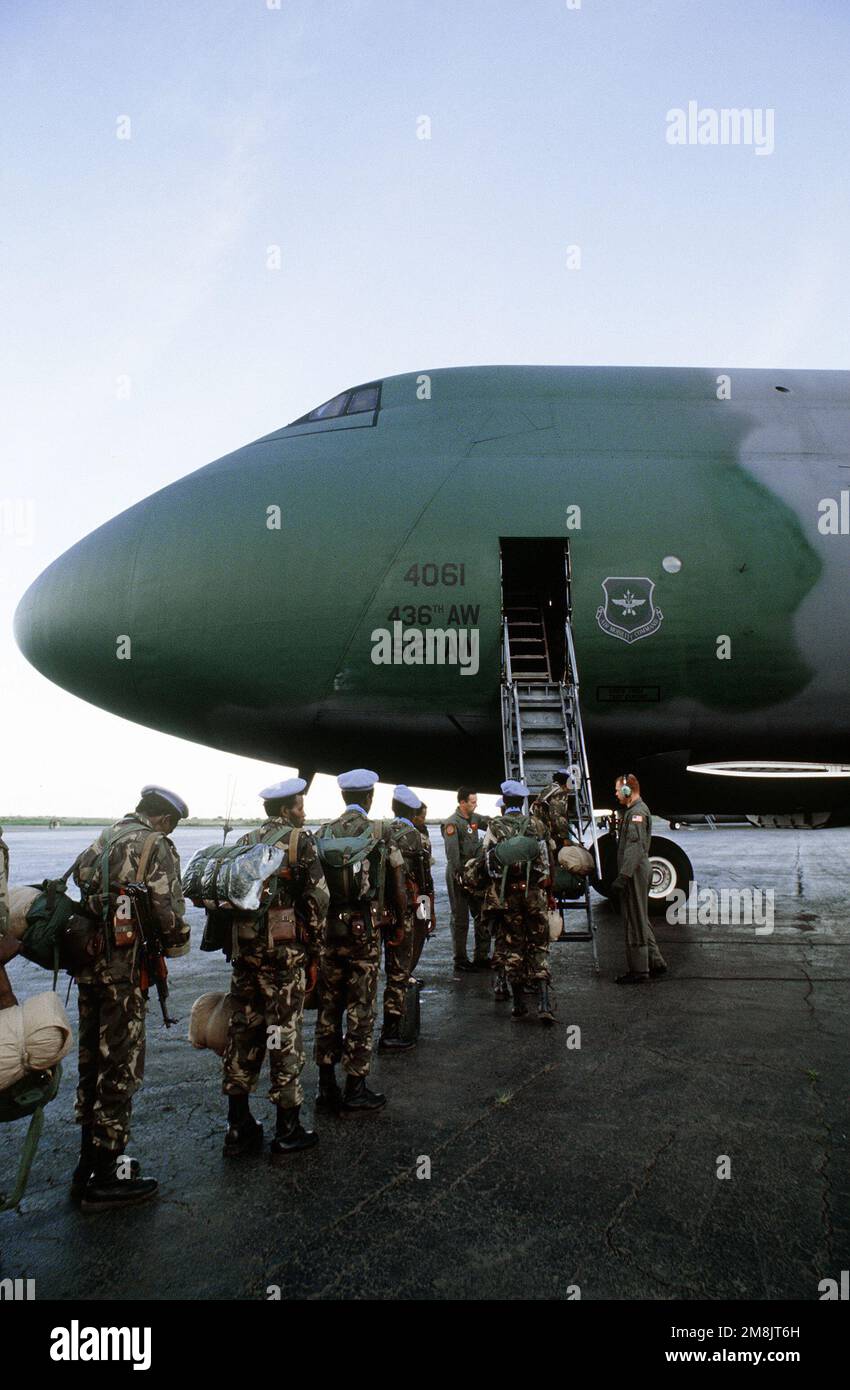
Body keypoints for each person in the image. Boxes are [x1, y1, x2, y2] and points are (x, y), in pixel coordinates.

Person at [70, 786, 190, 1209]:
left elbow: (83, 890)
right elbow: (167, 911)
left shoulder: (102, 839)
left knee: (91, 1060)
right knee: (120, 1066)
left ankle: (87, 1164)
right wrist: (176, 945)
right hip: (125, 973)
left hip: (90, 969)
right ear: (164, 820)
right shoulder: (155, 845)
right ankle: (108, 1174)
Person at [222, 778, 329, 1158]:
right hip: (284, 961)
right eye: (300, 807)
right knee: (282, 1035)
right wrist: (315, 953)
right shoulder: (301, 842)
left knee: (245, 1033)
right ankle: (287, 1127)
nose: (304, 813)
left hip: (246, 957)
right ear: (286, 811)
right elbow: (318, 901)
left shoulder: (244, 842)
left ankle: (238, 1127)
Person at [314, 770, 407, 1113]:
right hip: (364, 934)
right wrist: (397, 922)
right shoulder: (381, 833)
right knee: (361, 1008)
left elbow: (312, 889)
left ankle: (326, 1086)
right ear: (369, 798)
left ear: (343, 799)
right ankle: (355, 1086)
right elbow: (397, 881)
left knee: (328, 1008)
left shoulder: (322, 833)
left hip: (329, 933)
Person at [481, 781, 556, 1024]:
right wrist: (548, 890)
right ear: (522, 801)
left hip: (507, 896)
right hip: (533, 894)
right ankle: (544, 1003)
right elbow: (546, 861)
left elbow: (488, 863)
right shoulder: (537, 824)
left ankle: (519, 1005)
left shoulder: (495, 825)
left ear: (504, 800)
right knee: (539, 944)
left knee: (513, 945)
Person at [377, 785, 430, 1053]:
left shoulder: (382, 831)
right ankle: (391, 1031)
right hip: (405, 913)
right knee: (398, 972)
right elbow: (424, 882)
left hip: (378, 912)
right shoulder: (415, 837)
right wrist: (427, 916)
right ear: (411, 810)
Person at [610, 774, 667, 984]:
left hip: (634, 871)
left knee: (634, 919)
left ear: (627, 791)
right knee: (641, 917)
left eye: (618, 790)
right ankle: (655, 960)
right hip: (637, 869)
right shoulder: (634, 811)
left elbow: (634, 848)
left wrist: (623, 877)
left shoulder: (637, 813)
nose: (616, 793)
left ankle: (639, 970)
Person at [441, 788, 489, 971]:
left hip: (475, 874)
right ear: (462, 803)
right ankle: (460, 959)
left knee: (482, 914)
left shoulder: (475, 819)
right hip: (458, 875)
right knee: (460, 919)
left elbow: (492, 823)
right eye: (473, 802)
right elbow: (452, 856)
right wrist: (460, 876)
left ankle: (482, 956)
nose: (475, 805)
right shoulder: (451, 823)